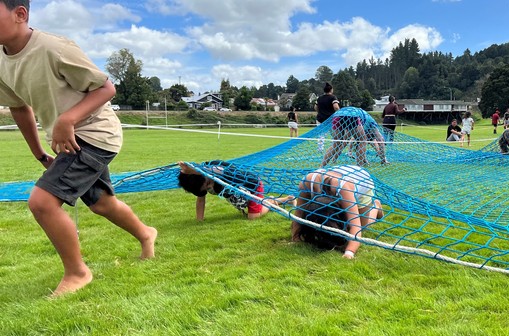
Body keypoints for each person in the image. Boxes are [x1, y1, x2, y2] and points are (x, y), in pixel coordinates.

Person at [0, 0, 157, 296]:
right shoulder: (2, 61)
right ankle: (146, 234)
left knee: (42, 202)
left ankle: (78, 272)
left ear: (20, 14)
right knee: (101, 204)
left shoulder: (54, 48)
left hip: (96, 134)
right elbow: (19, 108)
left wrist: (68, 118)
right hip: (68, 141)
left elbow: (106, 88)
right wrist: (39, 152)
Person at [291, 165, 383, 259]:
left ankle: (376, 207)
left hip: (362, 180)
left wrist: (349, 252)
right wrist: (295, 238)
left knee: (362, 226)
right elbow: (299, 214)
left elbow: (356, 227)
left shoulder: (343, 189)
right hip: (337, 177)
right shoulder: (306, 183)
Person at [177, 161, 294, 221]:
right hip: (238, 192)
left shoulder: (215, 168)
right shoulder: (196, 184)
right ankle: (284, 200)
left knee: (253, 217)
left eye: (208, 183)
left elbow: (214, 171)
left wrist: (194, 170)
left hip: (252, 186)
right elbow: (200, 200)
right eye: (206, 188)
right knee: (246, 208)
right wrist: (199, 220)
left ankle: (272, 202)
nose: (209, 187)